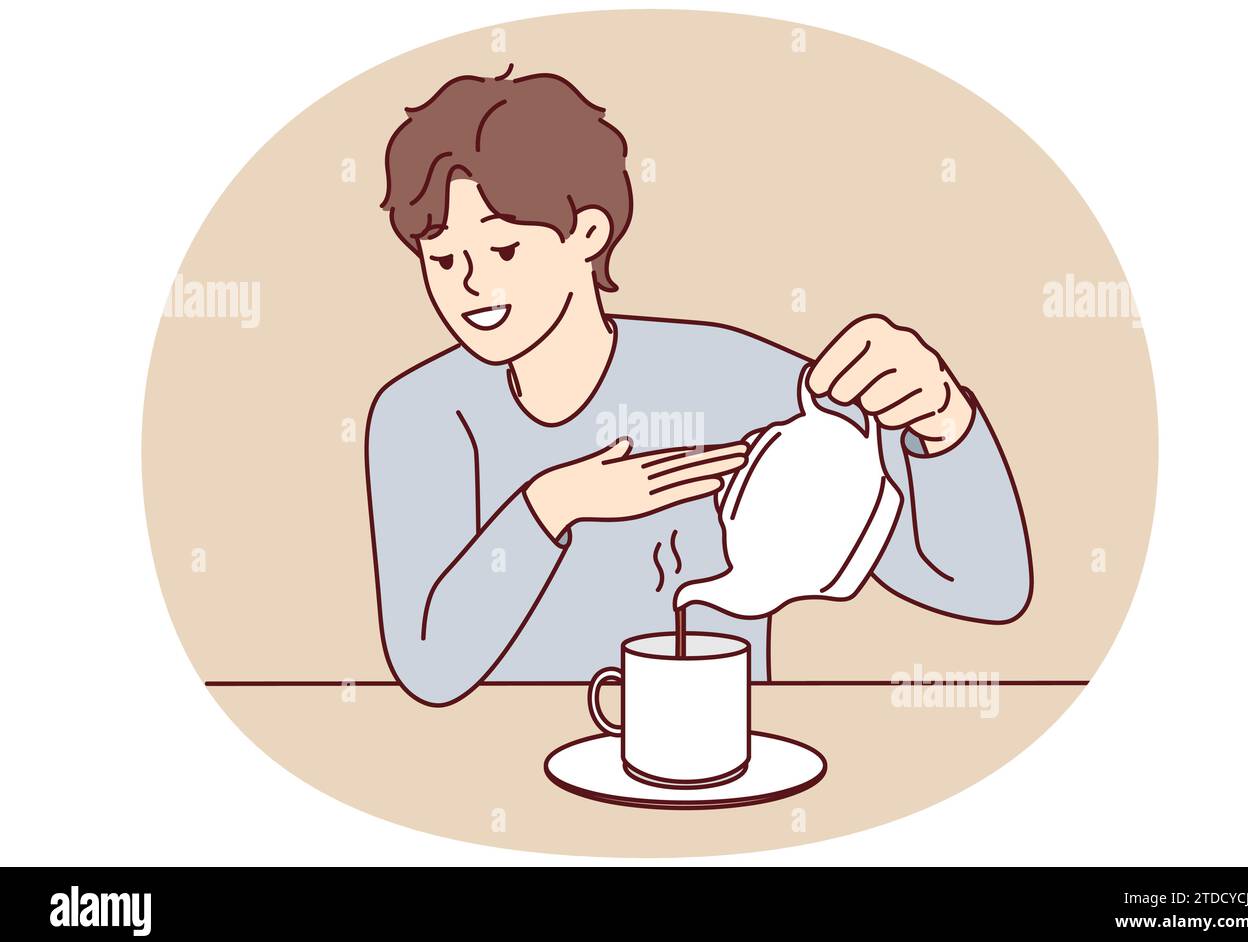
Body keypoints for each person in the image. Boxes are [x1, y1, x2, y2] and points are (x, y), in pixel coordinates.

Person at [366, 66, 1031, 706]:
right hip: (500, 769)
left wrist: (945, 421)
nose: (470, 286)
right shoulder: (417, 417)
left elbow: (984, 589)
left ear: (588, 233)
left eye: (504, 251)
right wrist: (552, 503)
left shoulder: (739, 385)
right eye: (444, 259)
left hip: (719, 777)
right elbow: (430, 666)